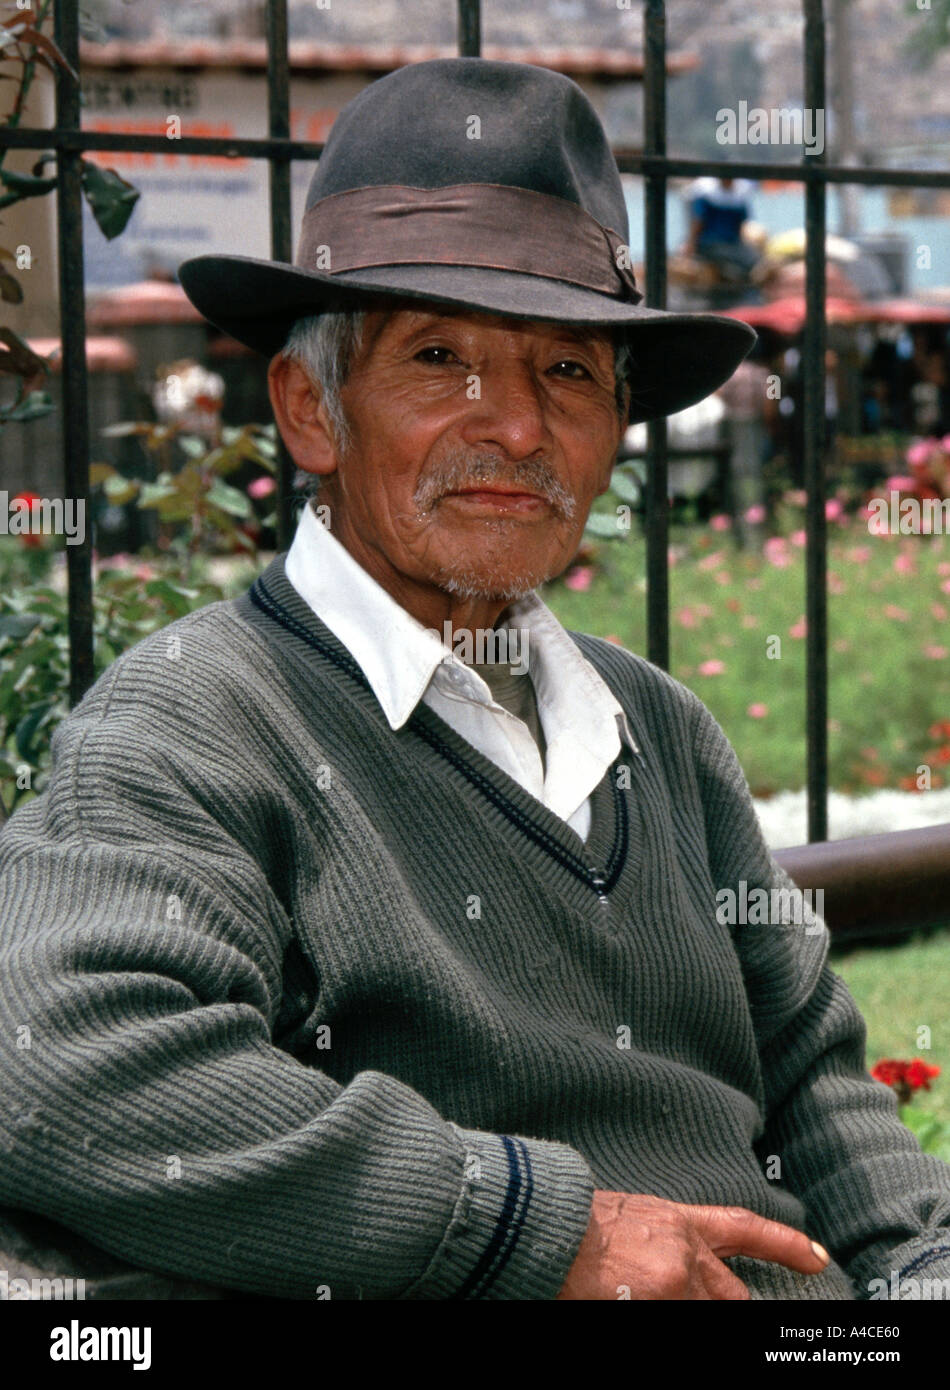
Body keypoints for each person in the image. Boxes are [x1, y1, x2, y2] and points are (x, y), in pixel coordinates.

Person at [2, 58, 950, 1302]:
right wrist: (540, 1231)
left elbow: (818, 1097)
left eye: (565, 371)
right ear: (309, 410)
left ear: (614, 426)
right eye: (438, 357)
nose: (510, 424)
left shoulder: (655, 727)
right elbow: (58, 1064)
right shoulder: (195, 724)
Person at [684, 175, 760, 283]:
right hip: (710, 243)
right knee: (737, 262)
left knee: (755, 260)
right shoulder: (707, 194)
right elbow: (698, 222)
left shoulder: (739, 195)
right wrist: (691, 245)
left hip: (732, 243)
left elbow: (741, 225)